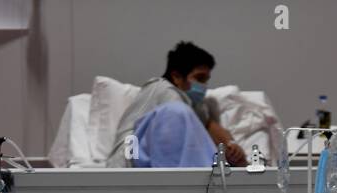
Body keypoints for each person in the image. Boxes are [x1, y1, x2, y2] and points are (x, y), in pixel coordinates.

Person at [106, 41, 247, 169]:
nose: (204, 85)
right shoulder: (163, 90)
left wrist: (231, 144)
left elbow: (209, 124)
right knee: (176, 112)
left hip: (147, 159)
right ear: (177, 76)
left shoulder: (190, 103)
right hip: (127, 159)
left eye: (206, 79)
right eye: (199, 78)